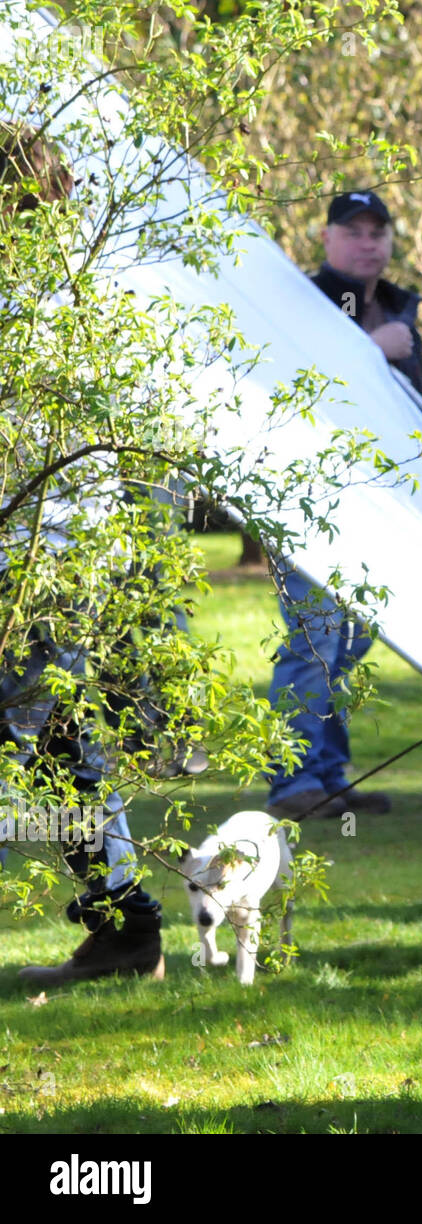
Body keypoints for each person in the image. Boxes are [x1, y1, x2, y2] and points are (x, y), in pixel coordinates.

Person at [0, 123, 166, 984]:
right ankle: (127, 930)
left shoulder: (34, 299)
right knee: (63, 750)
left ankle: (127, 927)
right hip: (71, 558)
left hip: (35, 563)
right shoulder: (85, 287)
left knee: (29, 746)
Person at [264, 188, 422, 820]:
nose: (367, 242)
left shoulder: (400, 306)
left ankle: (325, 775)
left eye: (377, 232)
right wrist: (369, 350)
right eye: (353, 231)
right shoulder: (298, 302)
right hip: (307, 498)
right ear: (326, 238)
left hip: (382, 506)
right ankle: (293, 783)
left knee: (351, 642)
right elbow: (291, 383)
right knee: (315, 639)